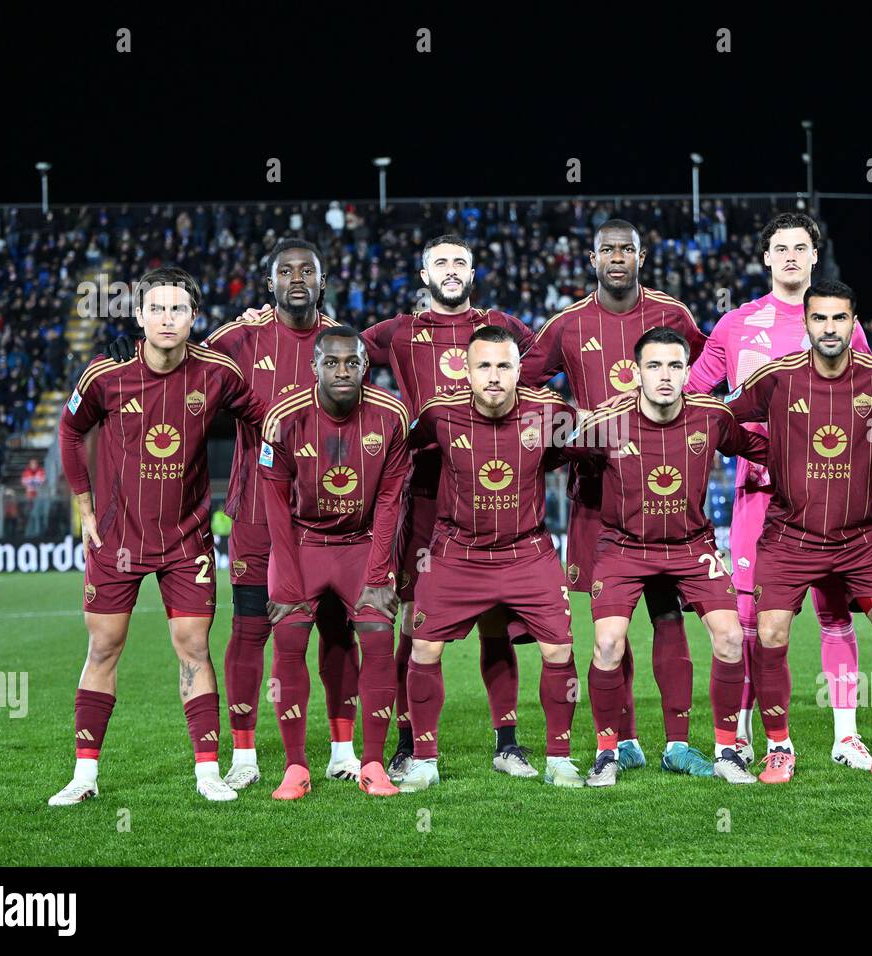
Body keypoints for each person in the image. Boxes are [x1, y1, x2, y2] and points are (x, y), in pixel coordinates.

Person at [108, 238, 362, 790]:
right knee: (249, 630)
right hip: (253, 516)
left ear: (322, 281)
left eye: (308, 271)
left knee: (336, 630)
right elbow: (180, 371)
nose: (298, 278)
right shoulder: (239, 340)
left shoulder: (343, 345)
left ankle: (342, 749)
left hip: (328, 518)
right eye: (285, 271)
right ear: (268, 284)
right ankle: (244, 757)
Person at [50, 266, 265, 804]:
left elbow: (264, 419)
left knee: (194, 647)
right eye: (158, 309)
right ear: (139, 315)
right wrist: (84, 506)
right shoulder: (105, 374)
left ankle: (208, 771)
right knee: (104, 646)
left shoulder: (219, 373)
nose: (168, 319)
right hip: (116, 538)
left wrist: (257, 486)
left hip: (186, 539)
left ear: (194, 318)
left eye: (179, 310)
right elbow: (71, 428)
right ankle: (84, 776)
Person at [686, 212, 872, 769]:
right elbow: (697, 395)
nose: (791, 256)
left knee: (834, 612)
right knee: (752, 619)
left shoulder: (839, 322)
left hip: (830, 494)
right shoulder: (735, 325)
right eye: (780, 248)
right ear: (766, 258)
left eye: (801, 247)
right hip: (759, 492)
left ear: (815, 257)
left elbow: (866, 401)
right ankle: (743, 735)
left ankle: (846, 738)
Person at [526, 218, 710, 776]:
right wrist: (566, 422)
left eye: (625, 250)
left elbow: (706, 372)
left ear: (641, 255)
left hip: (668, 496)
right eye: (606, 250)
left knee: (669, 613)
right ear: (591, 258)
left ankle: (677, 743)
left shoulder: (672, 315)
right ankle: (623, 740)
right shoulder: (567, 324)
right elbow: (527, 382)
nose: (616, 258)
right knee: (614, 621)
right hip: (596, 498)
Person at [725, 280, 872, 783]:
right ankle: (778, 745)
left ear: (854, 324)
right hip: (790, 534)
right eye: (819, 319)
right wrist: (769, 452)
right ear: (806, 323)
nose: (829, 328)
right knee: (769, 633)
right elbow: (724, 420)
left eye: (839, 319)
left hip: (861, 536)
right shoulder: (776, 379)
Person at [566, 328, 769, 786]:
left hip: (692, 546)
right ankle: (606, 753)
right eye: (654, 366)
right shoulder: (607, 423)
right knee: (607, 644)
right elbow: (560, 456)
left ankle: (727, 751)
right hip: (623, 547)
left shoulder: (712, 417)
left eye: (676, 366)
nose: (665, 376)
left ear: (687, 372)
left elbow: (760, 448)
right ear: (636, 372)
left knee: (731, 638)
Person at [396, 326, 584, 792]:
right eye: (484, 366)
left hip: (528, 552)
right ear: (467, 370)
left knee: (559, 649)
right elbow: (402, 457)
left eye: (504, 366)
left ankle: (559, 758)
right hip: (456, 553)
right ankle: (423, 759)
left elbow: (571, 452)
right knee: (423, 648)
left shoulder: (551, 413)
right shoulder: (439, 415)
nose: (494, 376)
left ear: (520, 370)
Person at [258, 326, 409, 798]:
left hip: (362, 545)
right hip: (302, 545)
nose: (342, 371)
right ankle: (295, 767)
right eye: (331, 362)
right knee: (288, 641)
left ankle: (373, 764)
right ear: (314, 367)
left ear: (366, 366)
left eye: (352, 363)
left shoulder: (392, 416)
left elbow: (390, 499)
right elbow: (274, 501)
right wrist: (286, 574)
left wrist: (380, 570)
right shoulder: (283, 418)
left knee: (379, 637)